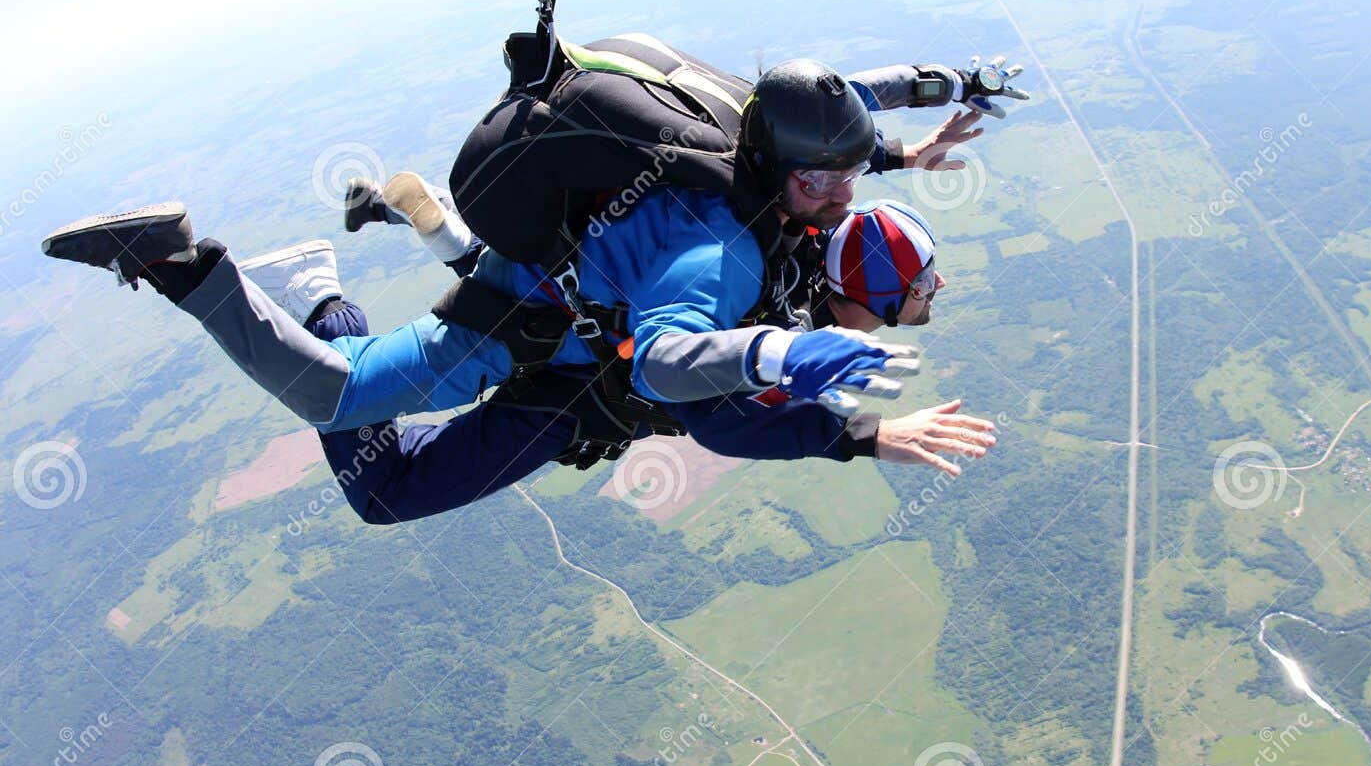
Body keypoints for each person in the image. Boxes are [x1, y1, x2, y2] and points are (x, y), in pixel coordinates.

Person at [42, 32, 1025, 443]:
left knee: (377, 339)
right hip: (528, 299)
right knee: (339, 395)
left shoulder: (752, 108)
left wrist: (950, 85)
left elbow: (862, 94)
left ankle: (391, 233)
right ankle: (178, 260)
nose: (846, 188)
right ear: (790, 169)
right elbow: (668, 362)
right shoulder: (715, 244)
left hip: (570, 239)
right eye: (835, 177)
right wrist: (776, 348)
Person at [241, 183, 986, 524]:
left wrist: (924, 112)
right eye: (922, 285)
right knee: (387, 489)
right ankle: (319, 300)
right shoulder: (777, 316)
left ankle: (452, 239)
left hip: (568, 308)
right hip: (571, 395)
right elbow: (717, 422)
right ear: (878, 297)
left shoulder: (791, 235)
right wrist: (869, 436)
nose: (937, 287)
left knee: (503, 315)